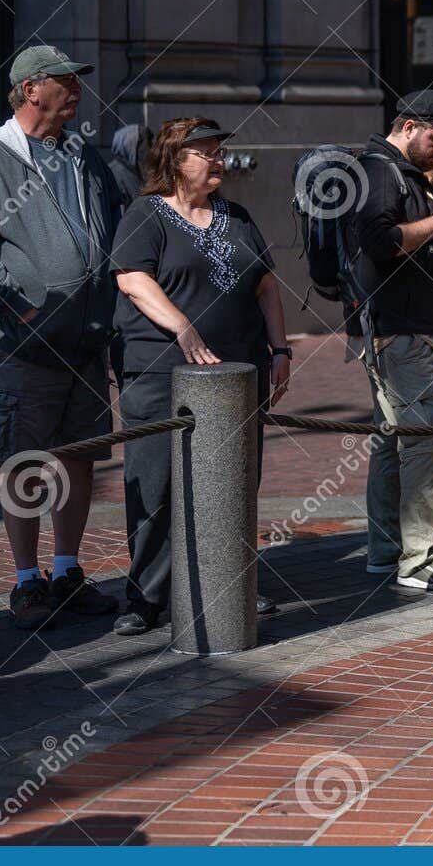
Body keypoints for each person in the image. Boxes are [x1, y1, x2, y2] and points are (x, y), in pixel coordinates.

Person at [109, 118, 291, 635]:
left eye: (219, 152)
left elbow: (265, 286)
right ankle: (147, 595)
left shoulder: (236, 216)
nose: (218, 161)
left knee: (234, 479)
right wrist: (183, 328)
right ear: (174, 160)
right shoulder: (146, 215)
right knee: (156, 478)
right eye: (205, 152)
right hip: (160, 371)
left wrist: (280, 350)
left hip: (236, 372)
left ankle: (230, 585)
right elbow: (132, 279)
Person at [0, 45, 124, 631]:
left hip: (86, 342)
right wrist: (26, 310)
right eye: (66, 82)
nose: (77, 92)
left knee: (80, 456)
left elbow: (108, 232)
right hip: (25, 345)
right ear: (31, 88)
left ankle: (66, 570)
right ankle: (25, 580)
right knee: (25, 461)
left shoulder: (82, 156)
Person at [351, 89, 433, 591]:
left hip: (399, 328)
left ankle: (385, 551)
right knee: (424, 445)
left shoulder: (400, 173)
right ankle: (421, 561)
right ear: (407, 128)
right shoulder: (381, 171)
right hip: (401, 331)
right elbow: (379, 242)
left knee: (392, 442)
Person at [108, 123, 152, 206]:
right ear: (130, 145)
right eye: (146, 140)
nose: (150, 146)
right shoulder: (113, 173)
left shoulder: (136, 171)